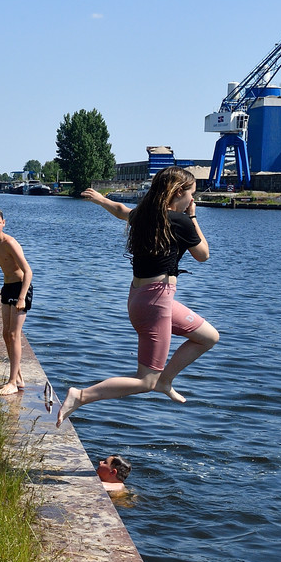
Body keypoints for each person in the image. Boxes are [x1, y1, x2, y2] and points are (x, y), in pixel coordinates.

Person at [57, 166, 218, 427]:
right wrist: (193, 218)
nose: (193, 200)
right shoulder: (181, 221)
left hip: (144, 298)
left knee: (208, 337)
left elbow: (122, 211)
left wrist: (101, 200)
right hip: (156, 302)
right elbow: (203, 255)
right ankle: (81, 395)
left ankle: (166, 381)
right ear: (179, 192)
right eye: (191, 194)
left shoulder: (144, 215)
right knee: (145, 381)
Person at [0, 206, 33, 396]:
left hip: (21, 288)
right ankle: (18, 378)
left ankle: (12, 382)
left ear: (4, 223)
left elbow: (28, 271)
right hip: (7, 288)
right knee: (5, 334)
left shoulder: (10, 242)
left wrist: (22, 298)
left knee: (14, 334)